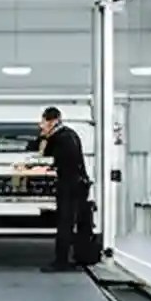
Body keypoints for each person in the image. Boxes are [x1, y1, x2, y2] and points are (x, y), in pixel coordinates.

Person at [37, 106, 95, 272]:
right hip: (75, 184)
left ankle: (62, 261)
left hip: (71, 185)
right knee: (72, 222)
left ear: (53, 121)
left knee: (65, 223)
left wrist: (45, 140)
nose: (41, 126)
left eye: (44, 122)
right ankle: (76, 258)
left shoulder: (63, 137)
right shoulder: (66, 135)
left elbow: (49, 159)